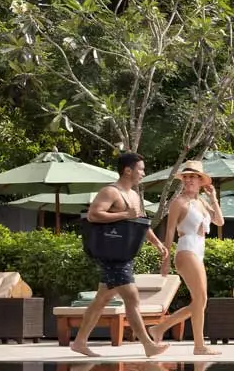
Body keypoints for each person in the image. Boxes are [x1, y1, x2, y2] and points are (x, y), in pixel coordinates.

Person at [70, 152, 170, 359]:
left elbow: (140, 224)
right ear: (128, 170)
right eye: (141, 169)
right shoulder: (110, 192)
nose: (143, 173)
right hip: (111, 254)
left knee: (102, 298)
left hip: (123, 254)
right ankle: (147, 345)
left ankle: (79, 342)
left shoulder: (134, 195)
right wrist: (125, 214)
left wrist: (157, 243)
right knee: (131, 297)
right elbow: (93, 214)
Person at [152, 161, 225, 355]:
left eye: (193, 177)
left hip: (198, 251)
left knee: (200, 301)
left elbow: (219, 221)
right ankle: (199, 346)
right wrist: (165, 261)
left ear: (200, 181)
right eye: (186, 177)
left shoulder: (201, 202)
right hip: (186, 250)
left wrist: (214, 198)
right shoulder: (179, 202)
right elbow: (169, 232)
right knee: (201, 299)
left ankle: (160, 328)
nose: (189, 180)